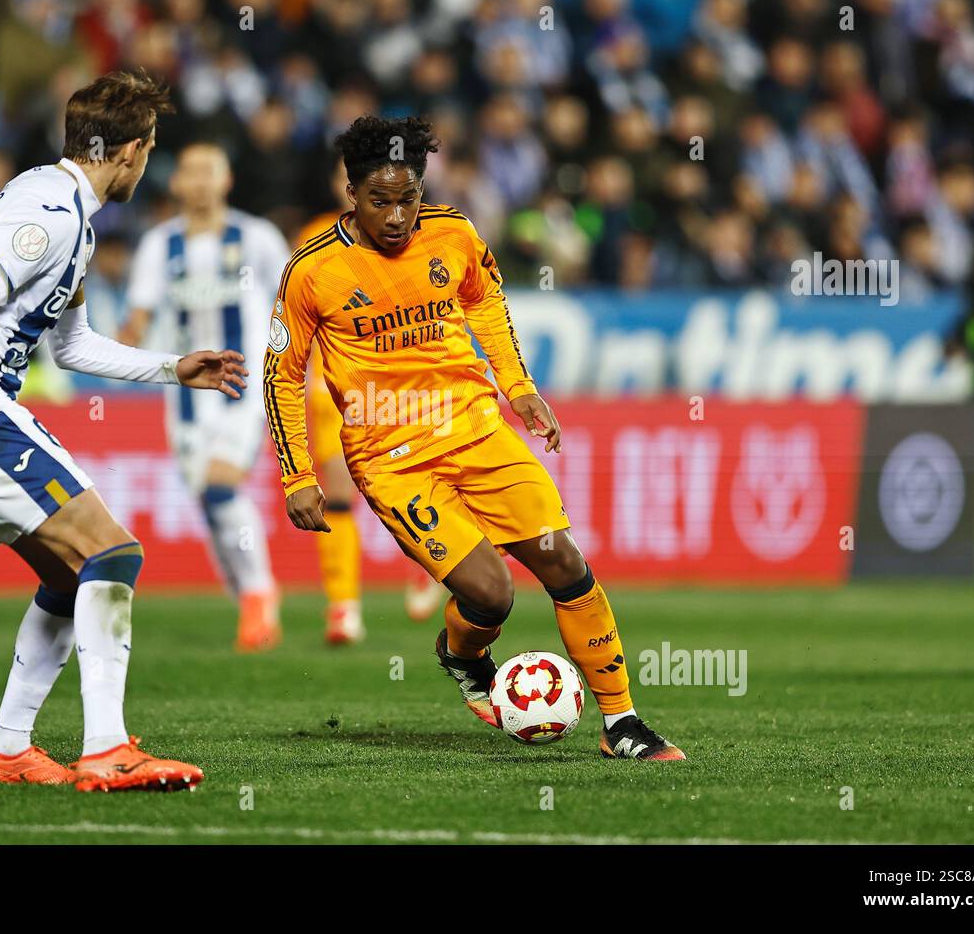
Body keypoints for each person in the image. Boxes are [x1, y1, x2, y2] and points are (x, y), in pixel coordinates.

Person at [0, 71, 248, 791]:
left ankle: (7, 750)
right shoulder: (49, 213)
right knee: (115, 553)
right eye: (151, 148)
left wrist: (172, 366)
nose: (148, 163)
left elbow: (71, 348)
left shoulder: (68, 209)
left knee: (71, 572)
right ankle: (106, 749)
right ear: (130, 151)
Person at [263, 116, 685, 761]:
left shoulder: (453, 231)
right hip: (393, 459)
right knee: (492, 594)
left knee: (564, 561)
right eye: (381, 201)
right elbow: (282, 375)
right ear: (351, 196)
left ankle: (621, 721)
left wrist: (517, 387)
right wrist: (298, 477)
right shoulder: (311, 271)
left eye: (409, 198)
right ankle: (462, 654)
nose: (398, 216)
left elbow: (486, 299)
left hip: (477, 430)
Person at [118, 143, 287, 651]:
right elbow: (139, 319)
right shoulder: (158, 246)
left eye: (208, 171)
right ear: (175, 183)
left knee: (219, 489)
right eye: (188, 171)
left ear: (226, 179)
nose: (198, 181)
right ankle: (251, 601)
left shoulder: (256, 238)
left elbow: (296, 299)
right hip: (186, 398)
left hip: (243, 387)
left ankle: (259, 592)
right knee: (209, 504)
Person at [294, 156, 444, 645]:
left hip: (402, 385)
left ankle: (433, 559)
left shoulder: (416, 235)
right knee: (338, 492)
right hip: (337, 384)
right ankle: (344, 607)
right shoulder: (313, 236)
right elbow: (302, 311)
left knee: (408, 485)